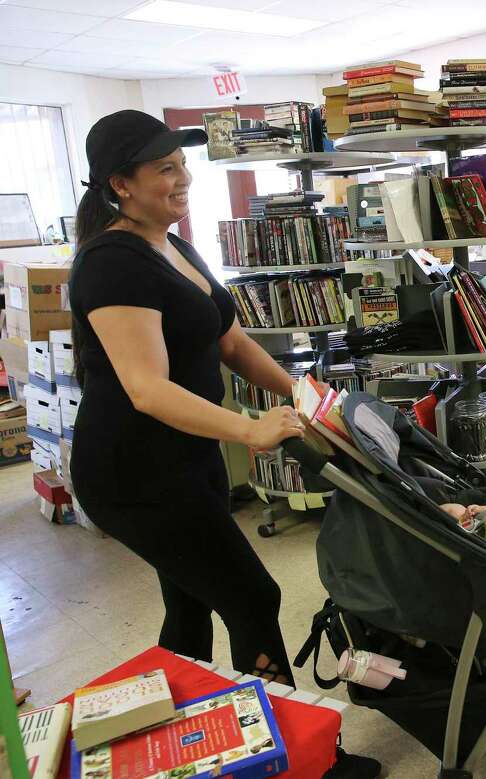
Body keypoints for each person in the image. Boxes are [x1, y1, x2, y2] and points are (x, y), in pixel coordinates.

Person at [68, 110, 309, 686]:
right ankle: (296, 755)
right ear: (120, 184)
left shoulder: (171, 246)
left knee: (190, 603)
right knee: (253, 596)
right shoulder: (111, 265)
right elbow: (146, 389)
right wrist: (250, 429)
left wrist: (304, 391)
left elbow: (231, 341)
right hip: (135, 475)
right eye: (163, 169)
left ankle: (188, 734)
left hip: (187, 458)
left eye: (182, 166)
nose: (182, 180)